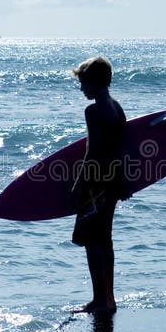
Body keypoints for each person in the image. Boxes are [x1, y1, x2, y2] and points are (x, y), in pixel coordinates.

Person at [71, 56, 128, 313]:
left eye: (84, 83)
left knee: (93, 241)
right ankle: (108, 299)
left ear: (95, 81)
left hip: (96, 182)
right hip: (113, 180)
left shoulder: (93, 111)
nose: (82, 89)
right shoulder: (117, 108)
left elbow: (91, 151)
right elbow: (122, 149)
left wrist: (80, 184)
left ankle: (99, 301)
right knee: (105, 240)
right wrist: (124, 181)